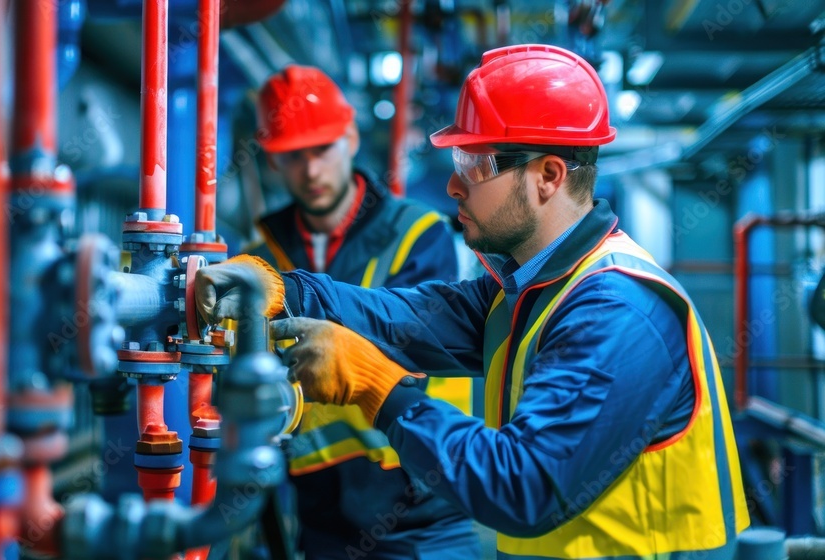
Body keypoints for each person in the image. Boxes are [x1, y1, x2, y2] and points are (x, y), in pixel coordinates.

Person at [199, 45, 750, 559]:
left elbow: (521, 486)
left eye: (476, 164)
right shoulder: (529, 291)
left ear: (548, 176)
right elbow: (406, 319)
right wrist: (286, 289)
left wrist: (375, 387)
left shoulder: (614, 312)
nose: (454, 187)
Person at [240, 64, 481, 559]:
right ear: (271, 161)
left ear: (349, 137)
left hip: (419, 505)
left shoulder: (418, 233)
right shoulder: (258, 259)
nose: (310, 172)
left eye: (322, 149)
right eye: (292, 156)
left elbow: (409, 343)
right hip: (320, 511)